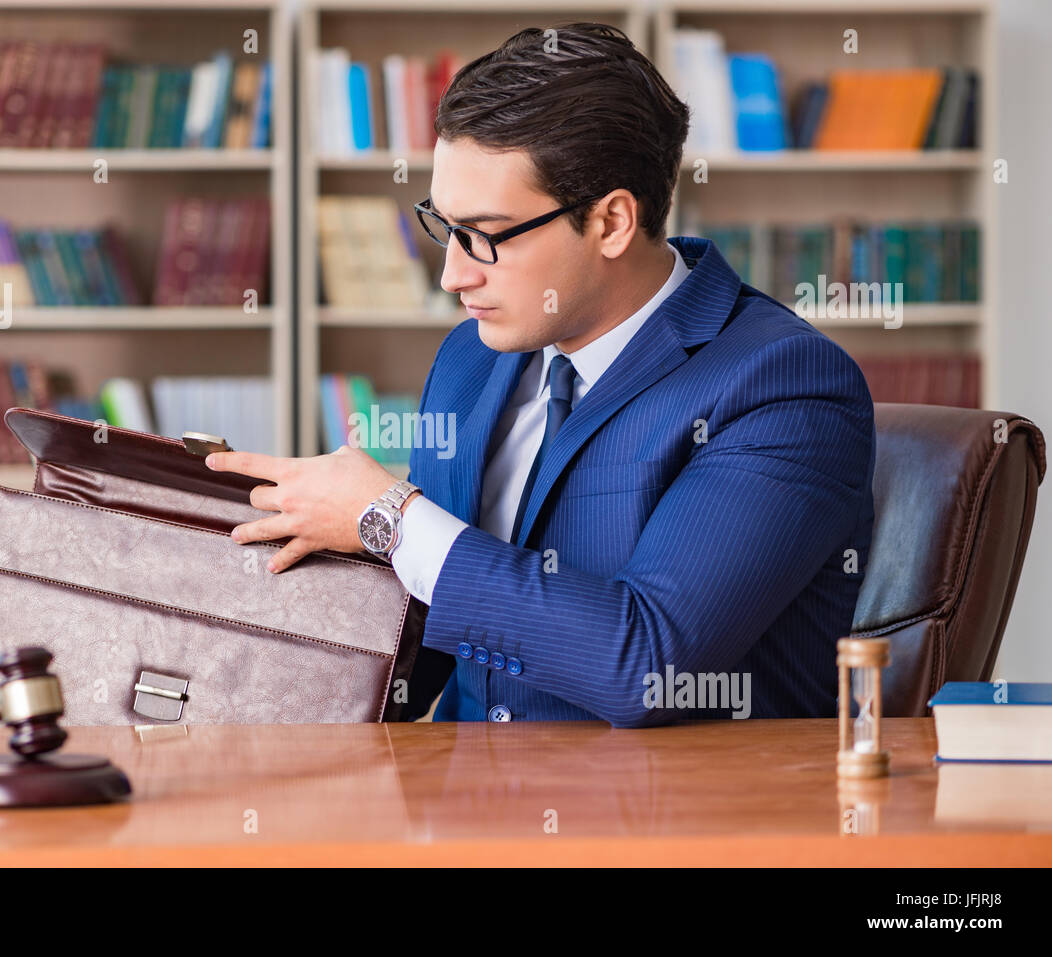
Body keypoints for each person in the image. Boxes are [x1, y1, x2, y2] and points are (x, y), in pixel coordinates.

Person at [205, 21, 875, 726]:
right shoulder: (472, 357)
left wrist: (392, 517)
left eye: (486, 236)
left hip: (669, 823)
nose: (452, 274)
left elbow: (646, 664)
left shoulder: (786, 385)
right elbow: (424, 635)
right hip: (457, 806)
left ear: (613, 221)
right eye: (444, 225)